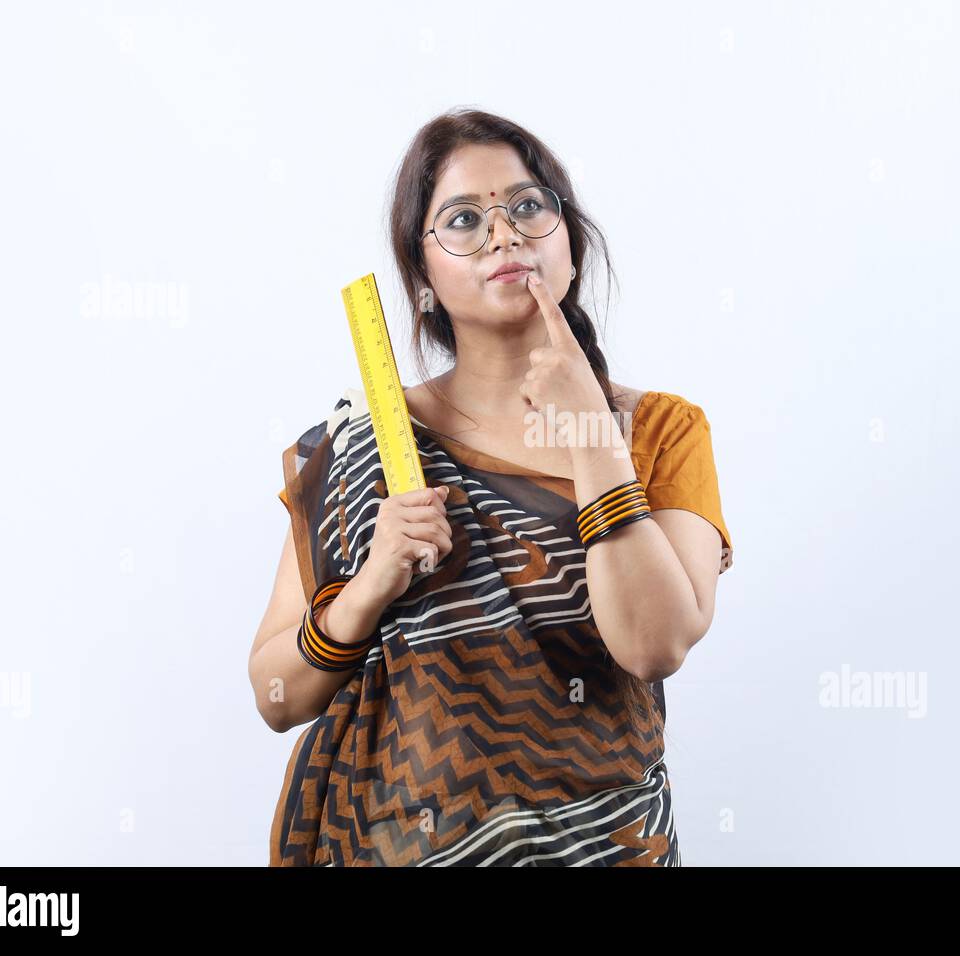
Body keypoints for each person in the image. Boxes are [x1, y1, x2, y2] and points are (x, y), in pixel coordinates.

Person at [249, 108, 733, 866]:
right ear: (424, 280)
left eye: (528, 207)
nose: (504, 234)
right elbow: (276, 694)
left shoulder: (661, 431)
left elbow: (654, 643)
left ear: (570, 244)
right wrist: (371, 584)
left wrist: (592, 441)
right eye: (464, 219)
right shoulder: (367, 447)